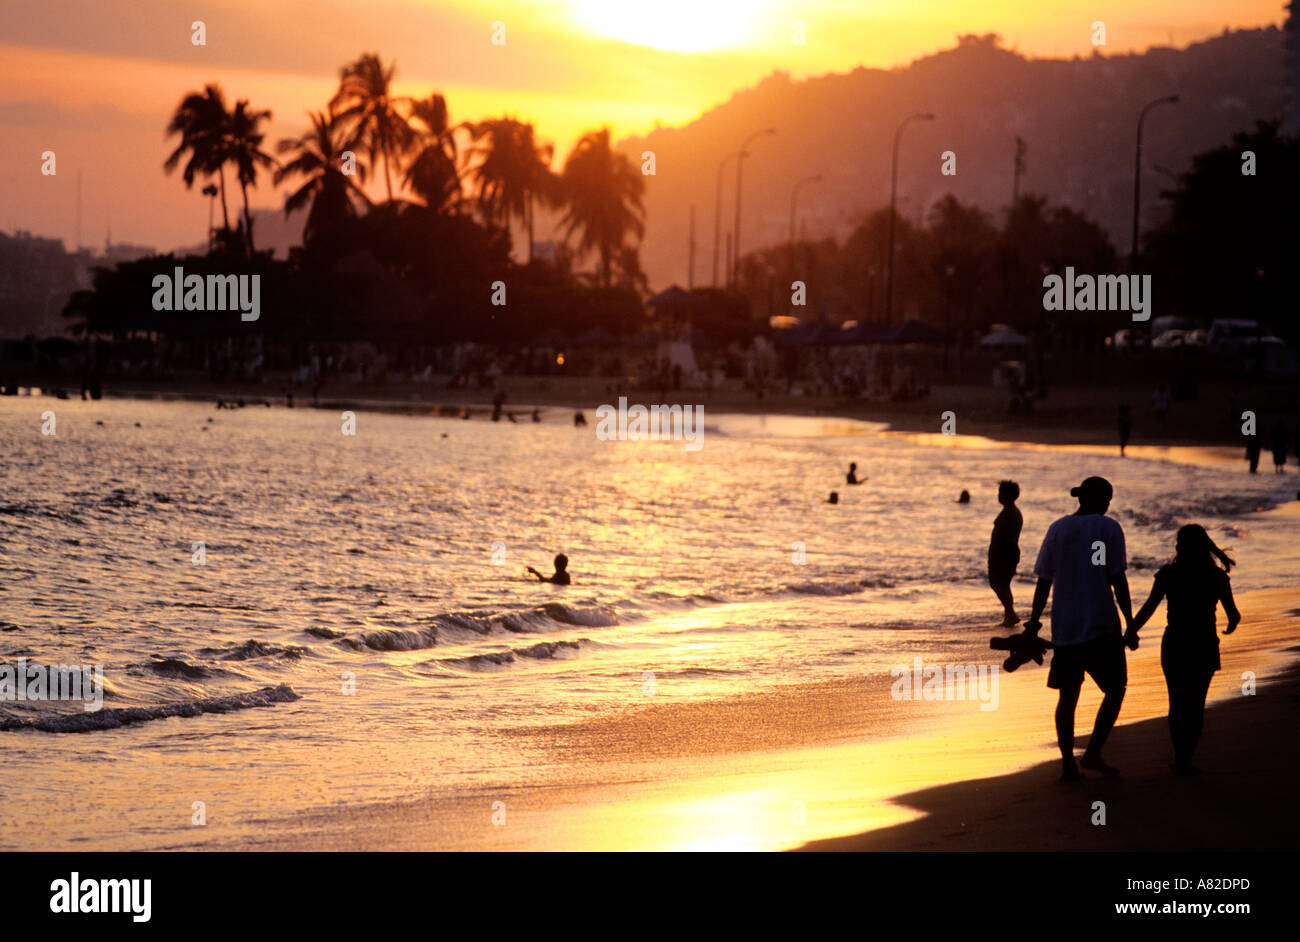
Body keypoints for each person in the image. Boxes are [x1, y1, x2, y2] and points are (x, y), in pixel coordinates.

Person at [1024, 476, 1133, 782]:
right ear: (1105, 500)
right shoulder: (1108, 527)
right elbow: (1116, 578)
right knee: (1114, 689)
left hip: (1065, 627)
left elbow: (1044, 580)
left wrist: (1034, 622)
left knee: (1067, 697)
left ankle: (1067, 765)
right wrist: (1131, 622)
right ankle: (1094, 751)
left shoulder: (1057, 528)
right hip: (1100, 623)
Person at [1129, 525, 1240, 775]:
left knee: (1177, 702)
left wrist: (1130, 631)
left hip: (1175, 643)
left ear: (1179, 547)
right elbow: (1233, 615)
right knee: (1195, 704)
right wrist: (1230, 626)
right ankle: (1187, 758)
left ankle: (1180, 757)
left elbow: (1148, 609)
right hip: (1204, 643)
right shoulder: (1217, 577)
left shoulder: (1169, 574)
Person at [988, 480, 1023, 627]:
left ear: (1006, 495)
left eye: (1000, 493)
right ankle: (1009, 613)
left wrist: (998, 554)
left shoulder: (1010, 513)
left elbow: (1007, 537)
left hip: (1004, 554)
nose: (998, 495)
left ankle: (1010, 613)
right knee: (1001, 584)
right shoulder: (1011, 512)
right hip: (1005, 553)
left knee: (999, 583)